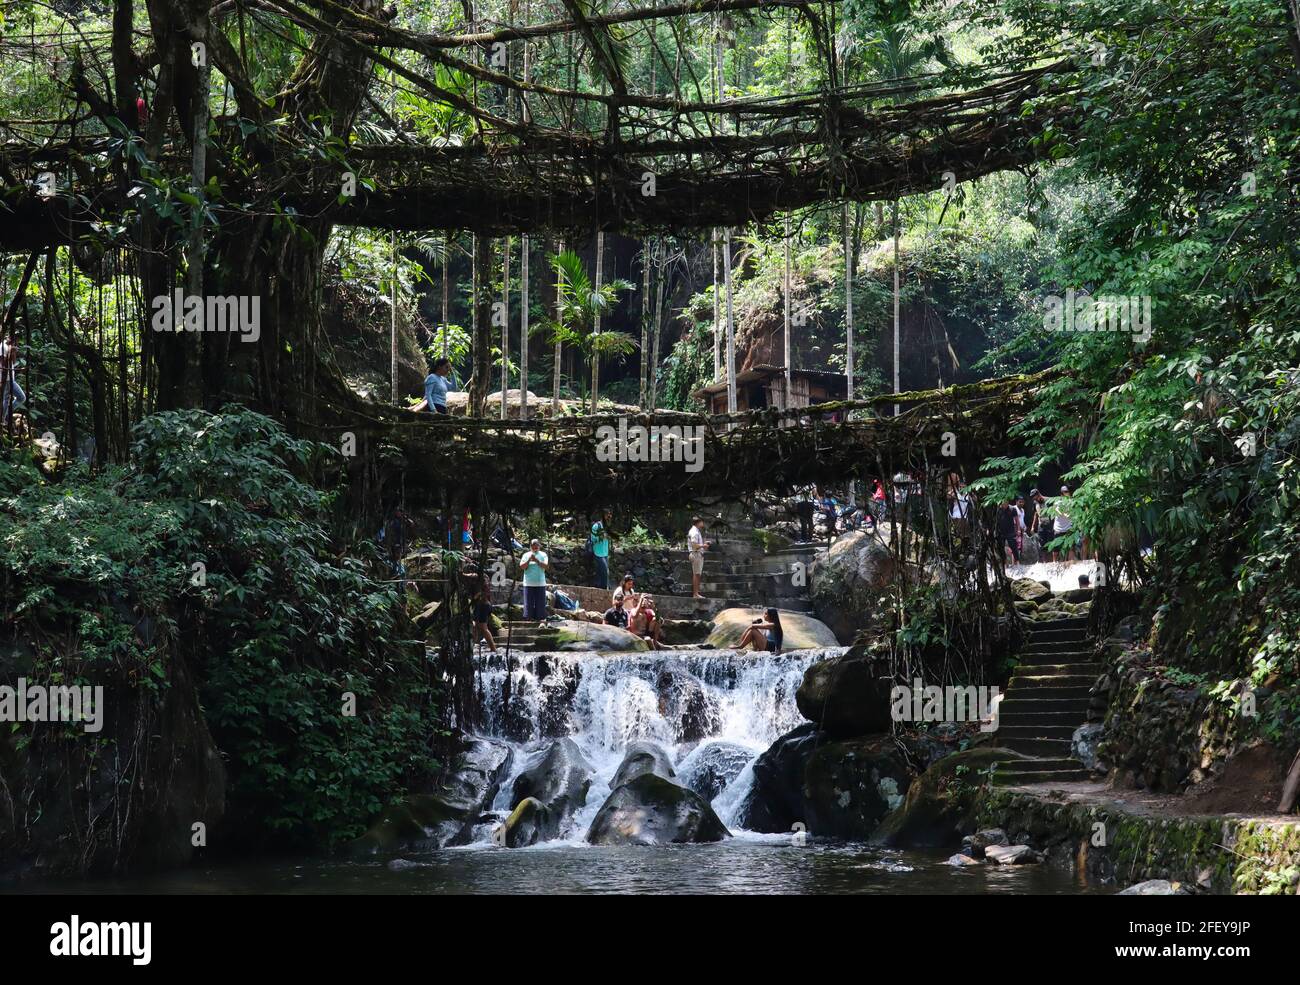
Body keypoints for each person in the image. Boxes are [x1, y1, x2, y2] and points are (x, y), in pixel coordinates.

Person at [519, 538, 549, 625]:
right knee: (528, 604)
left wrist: (536, 560)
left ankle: (540, 621)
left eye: (536, 547)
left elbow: (546, 566)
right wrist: (529, 560)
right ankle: (528, 620)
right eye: (533, 547)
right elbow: (522, 567)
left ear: (539, 546)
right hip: (528, 583)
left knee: (540, 604)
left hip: (540, 583)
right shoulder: (526, 555)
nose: (535, 549)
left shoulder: (543, 555)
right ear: (530, 547)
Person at [0, 334, 24, 423]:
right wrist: (10, 350)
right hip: (5, 378)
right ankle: (2, 418)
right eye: (16, 340)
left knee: (21, 398)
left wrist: (13, 352)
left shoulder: (10, 346)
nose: (17, 342)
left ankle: (5, 414)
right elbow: (2, 364)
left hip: (10, 378)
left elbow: (13, 362)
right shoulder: (3, 346)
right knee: (7, 398)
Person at [687, 516, 709, 599]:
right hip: (696, 554)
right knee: (696, 574)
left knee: (697, 574)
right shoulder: (694, 531)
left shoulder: (696, 531)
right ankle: (695, 594)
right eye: (702, 522)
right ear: (699, 522)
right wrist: (703, 545)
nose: (703, 523)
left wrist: (703, 544)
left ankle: (696, 593)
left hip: (697, 554)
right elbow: (694, 544)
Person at [472, 582, 497, 652]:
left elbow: (484, 593)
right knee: (474, 626)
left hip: (484, 606)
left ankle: (493, 648)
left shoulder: (482, 578)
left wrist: (463, 574)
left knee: (483, 628)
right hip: (478, 606)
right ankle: (472, 646)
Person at [1054, 486, 1077, 561]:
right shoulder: (1058, 502)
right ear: (1061, 494)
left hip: (1068, 528)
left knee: (1071, 547)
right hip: (1059, 529)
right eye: (1065, 492)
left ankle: (1071, 563)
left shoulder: (1072, 501)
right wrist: (1064, 514)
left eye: (1068, 491)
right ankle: (1054, 564)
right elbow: (1056, 509)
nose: (1067, 493)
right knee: (1056, 549)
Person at [590, 510, 612, 589]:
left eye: (609, 515)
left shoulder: (607, 526)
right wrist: (601, 537)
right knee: (605, 572)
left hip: (605, 552)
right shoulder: (596, 526)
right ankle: (604, 590)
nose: (609, 517)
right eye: (607, 515)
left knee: (601, 573)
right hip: (598, 553)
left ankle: (600, 589)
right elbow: (592, 539)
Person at [996, 499, 1020, 563]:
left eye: (1007, 503)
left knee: (1013, 546)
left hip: (1010, 531)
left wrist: (1018, 529)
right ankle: (1005, 562)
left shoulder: (1012, 509)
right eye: (1004, 503)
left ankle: (1017, 561)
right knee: (1001, 547)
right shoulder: (997, 509)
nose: (1005, 504)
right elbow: (995, 521)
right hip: (1001, 532)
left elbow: (1017, 520)